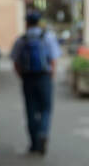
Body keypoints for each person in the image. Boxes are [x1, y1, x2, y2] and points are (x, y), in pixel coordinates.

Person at [11, 9, 60, 155]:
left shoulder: (21, 39)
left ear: (27, 23)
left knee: (30, 111)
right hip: (44, 77)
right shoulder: (48, 37)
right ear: (39, 22)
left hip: (28, 78)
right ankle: (43, 133)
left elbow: (15, 61)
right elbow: (53, 60)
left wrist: (22, 76)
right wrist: (51, 77)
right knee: (45, 109)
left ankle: (34, 144)